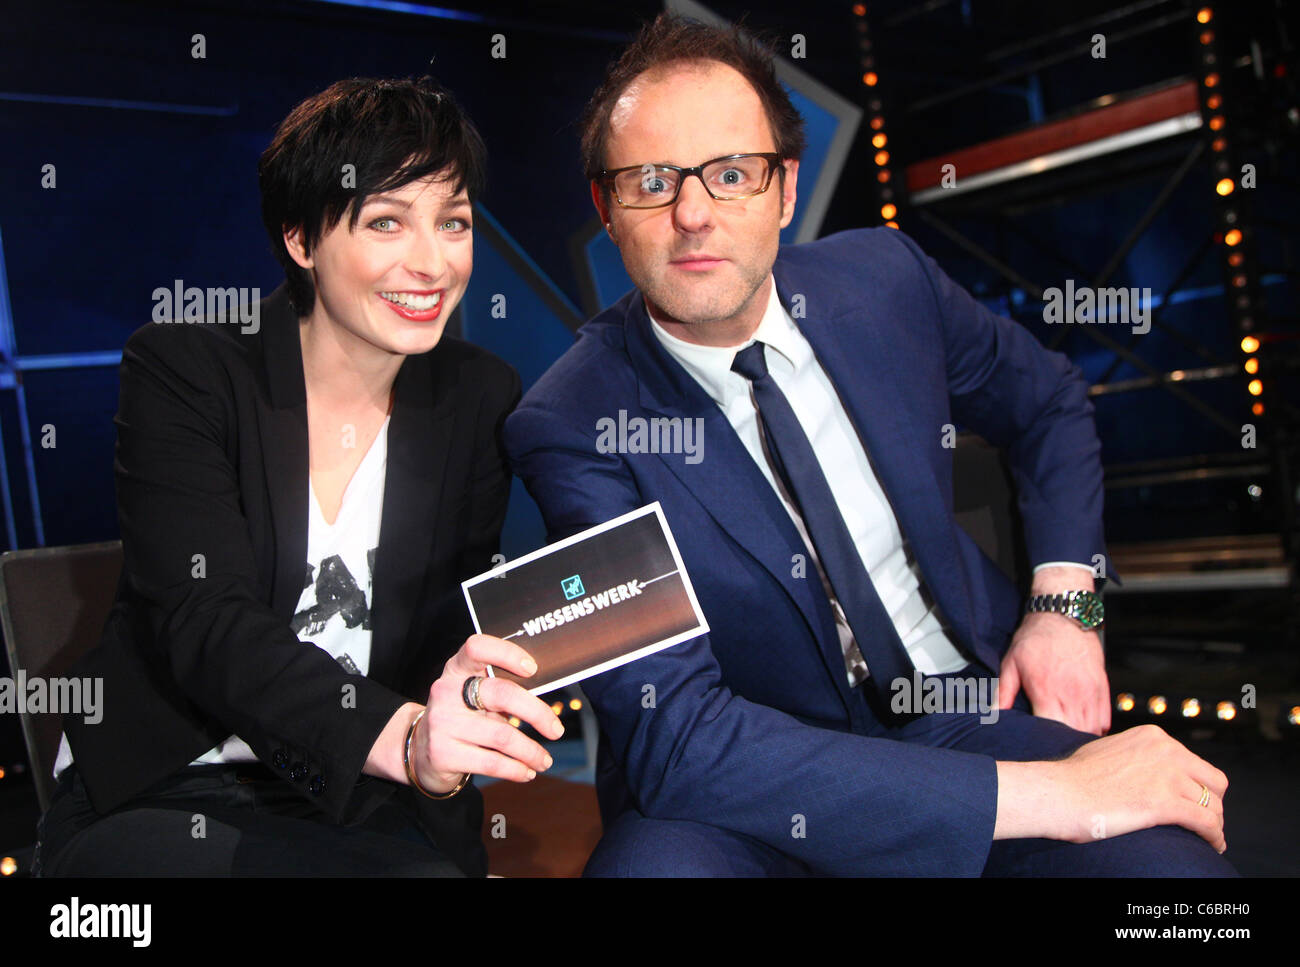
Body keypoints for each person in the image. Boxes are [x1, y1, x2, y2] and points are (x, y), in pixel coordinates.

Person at [505, 15, 1235, 876]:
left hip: (963, 710)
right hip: (744, 789)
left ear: (784, 189)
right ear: (606, 209)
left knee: (1169, 866)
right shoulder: (566, 423)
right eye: (652, 181)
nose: (693, 213)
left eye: (731, 174)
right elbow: (680, 737)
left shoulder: (886, 279)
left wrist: (1066, 607)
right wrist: (1060, 795)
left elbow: (1050, 401)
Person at [36, 76, 563, 877]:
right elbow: (204, 620)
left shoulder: (477, 393)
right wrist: (406, 737)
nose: (430, 263)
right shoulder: (188, 366)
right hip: (175, 779)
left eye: (452, 222)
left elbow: (442, 633)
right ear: (300, 239)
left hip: (357, 792)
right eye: (386, 222)